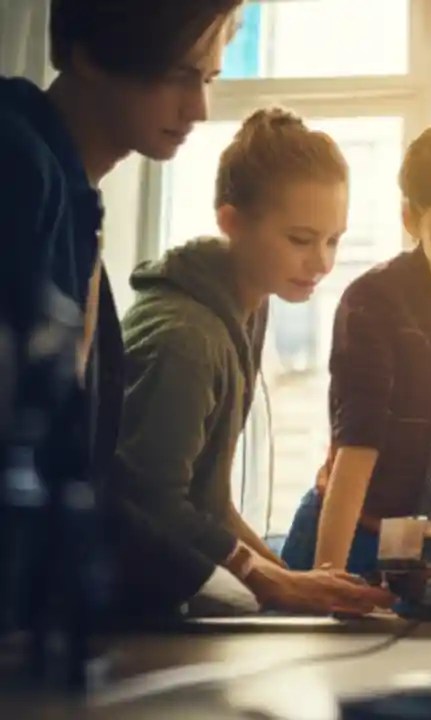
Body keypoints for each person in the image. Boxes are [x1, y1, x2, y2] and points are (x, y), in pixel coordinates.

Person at [0, 0, 251, 618]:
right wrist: (204, 578)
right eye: (177, 75)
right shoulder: (17, 163)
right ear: (88, 53)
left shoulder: (70, 194)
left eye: (209, 80)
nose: (199, 109)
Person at [115, 108, 393, 614]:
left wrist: (294, 584)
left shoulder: (248, 305)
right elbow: (150, 504)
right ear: (232, 223)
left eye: (334, 240)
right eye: (300, 240)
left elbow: (211, 505)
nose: (322, 263)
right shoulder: (185, 341)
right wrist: (275, 583)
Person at [280, 123, 431, 573]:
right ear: (411, 221)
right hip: (345, 528)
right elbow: (357, 446)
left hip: (418, 535)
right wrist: (328, 574)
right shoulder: (372, 302)